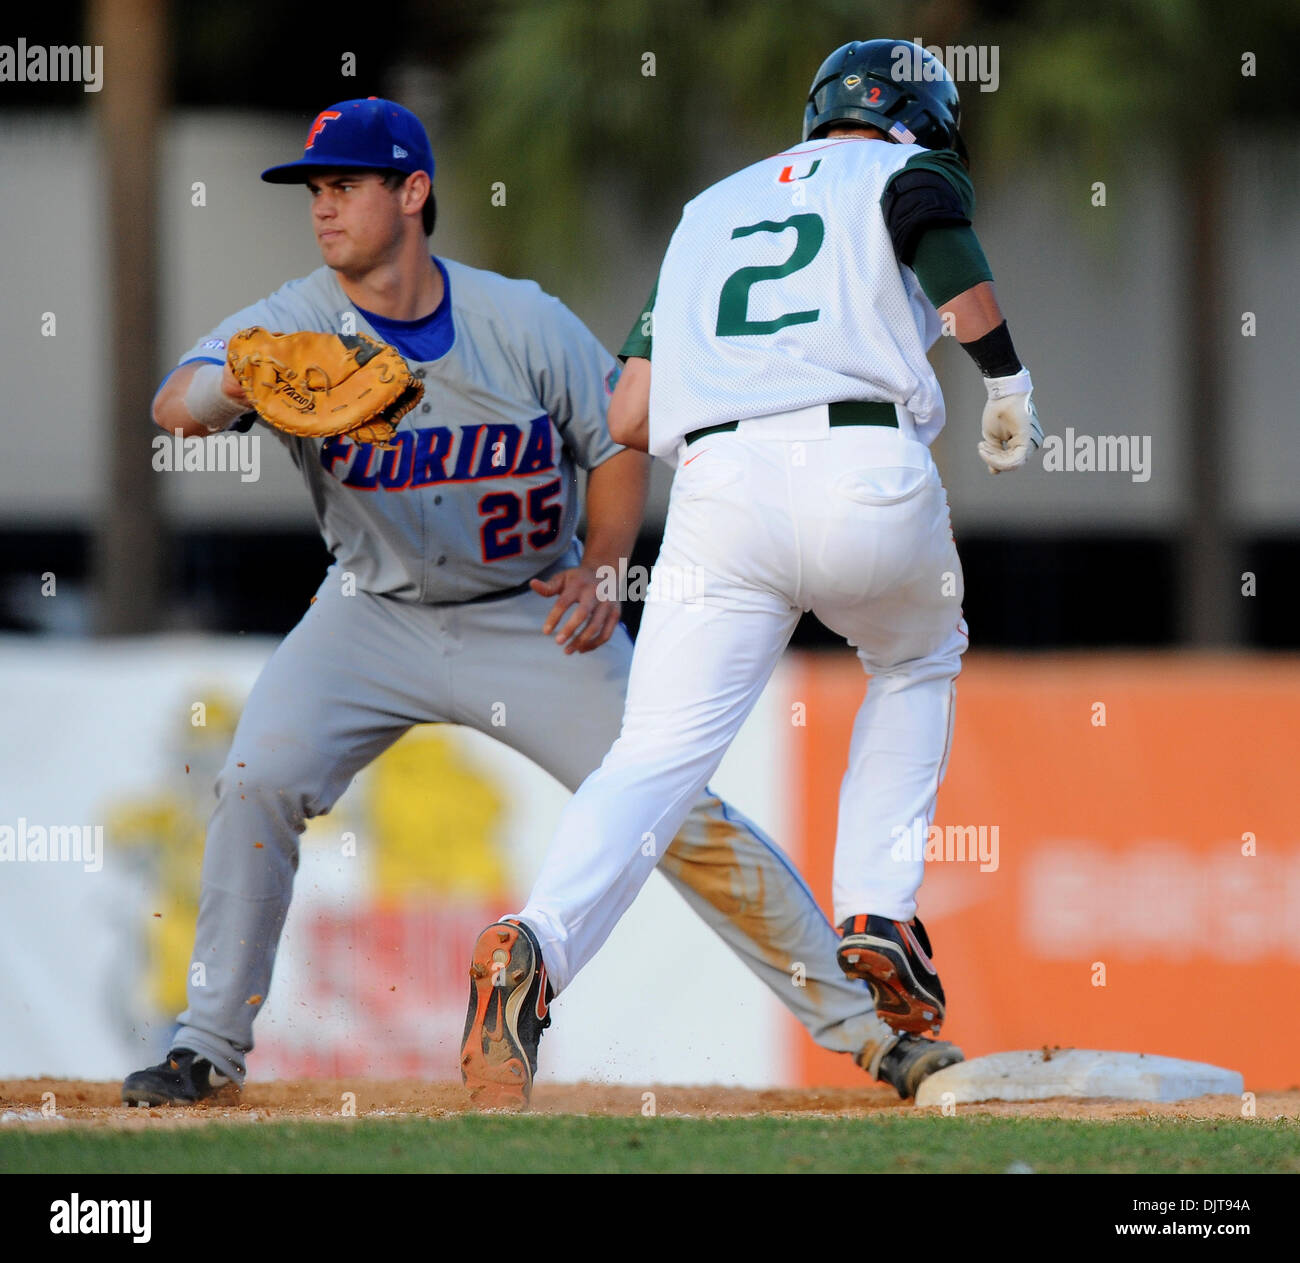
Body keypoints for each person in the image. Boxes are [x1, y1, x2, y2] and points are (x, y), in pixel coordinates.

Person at [121, 95, 910, 1106]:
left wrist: (603, 564)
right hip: (370, 611)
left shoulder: (516, 319)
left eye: (347, 185)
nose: (322, 208)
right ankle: (205, 1050)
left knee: (675, 812)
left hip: (527, 613)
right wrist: (243, 379)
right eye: (314, 189)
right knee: (254, 782)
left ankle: (872, 1035)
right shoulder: (293, 320)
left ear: (413, 192)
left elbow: (620, 434)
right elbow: (173, 405)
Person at [462, 37, 1042, 1107]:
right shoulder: (901, 168)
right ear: (913, 115)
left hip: (719, 492)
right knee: (916, 661)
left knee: (653, 756)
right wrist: (1005, 382)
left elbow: (629, 414)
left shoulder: (708, 211)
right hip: (863, 464)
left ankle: (532, 944)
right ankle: (873, 910)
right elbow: (937, 245)